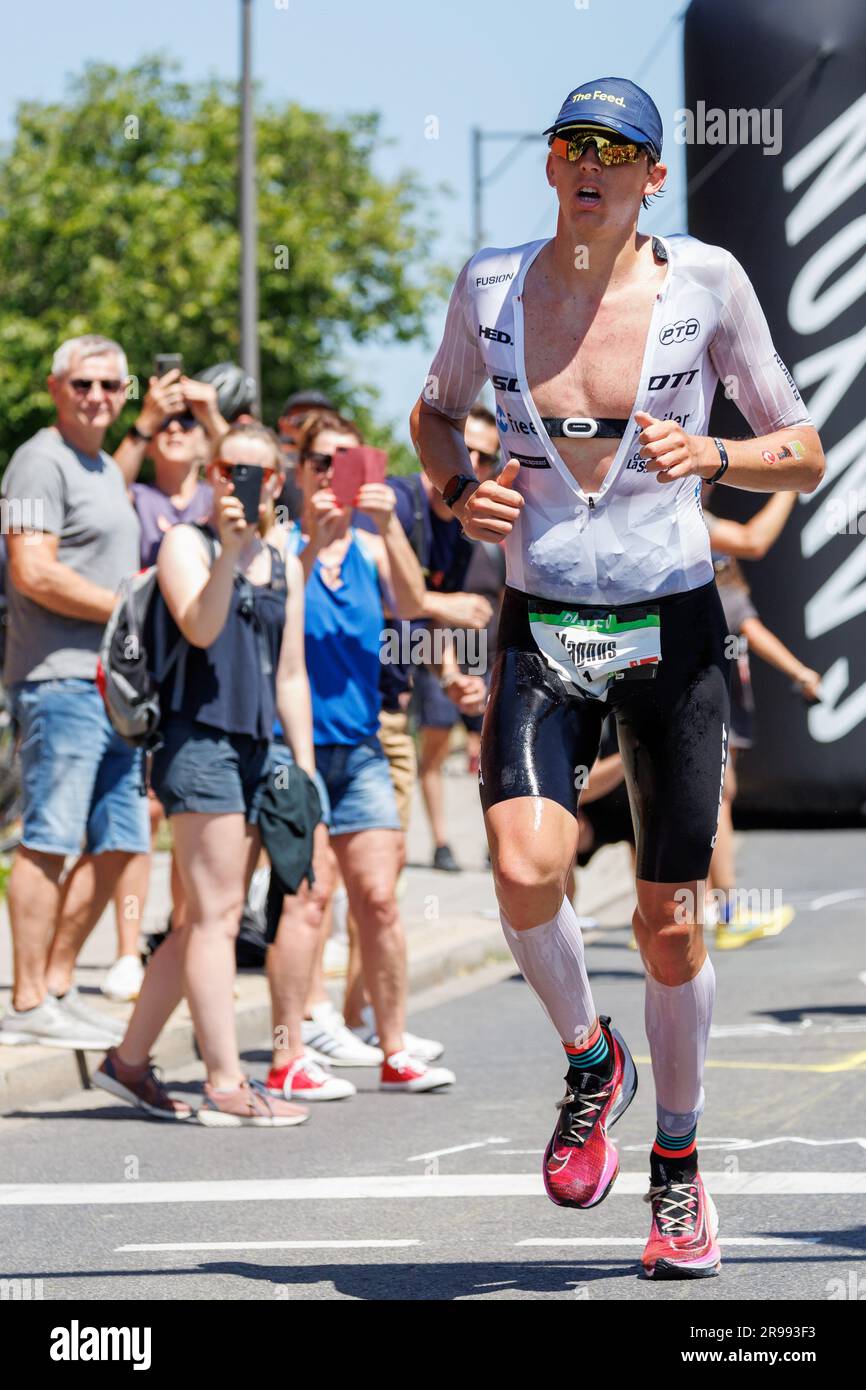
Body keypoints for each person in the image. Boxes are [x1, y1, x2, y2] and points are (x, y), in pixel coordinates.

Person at [411, 76, 824, 1279]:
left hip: (672, 629)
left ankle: (679, 1170)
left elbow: (798, 450)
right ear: (548, 167)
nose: (589, 163)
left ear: (652, 175)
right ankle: (591, 1057)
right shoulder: (490, 284)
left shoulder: (707, 283)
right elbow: (436, 414)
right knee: (523, 860)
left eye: (617, 148)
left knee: (667, 923)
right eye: (571, 145)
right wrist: (452, 488)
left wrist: (717, 451)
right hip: (544, 621)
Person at [94, 422, 317, 1125]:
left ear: (276, 484)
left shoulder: (287, 561)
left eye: (254, 473)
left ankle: (126, 1064)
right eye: (227, 470)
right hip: (199, 746)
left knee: (198, 920)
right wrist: (229, 549)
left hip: (257, 752)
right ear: (212, 475)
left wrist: (304, 773)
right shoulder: (186, 543)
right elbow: (199, 626)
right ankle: (225, 1082)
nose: (238, 483)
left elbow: (290, 673)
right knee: (219, 917)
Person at [283, 410, 456, 1092]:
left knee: (380, 900)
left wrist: (385, 525)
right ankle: (295, 1045)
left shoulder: (372, 544)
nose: (332, 473)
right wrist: (309, 545)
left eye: (346, 460)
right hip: (292, 748)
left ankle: (392, 1049)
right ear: (299, 472)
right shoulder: (280, 541)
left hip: (360, 748)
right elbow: (266, 612)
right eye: (320, 461)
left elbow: (414, 607)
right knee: (311, 898)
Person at [0, 334, 148, 1049]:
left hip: (112, 688)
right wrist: (130, 605)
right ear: (57, 389)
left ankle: (57, 985)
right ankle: (26, 1003)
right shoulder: (40, 458)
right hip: (58, 682)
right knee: (49, 840)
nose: (97, 397)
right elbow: (33, 571)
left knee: (121, 841)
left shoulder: (100, 468)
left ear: (125, 395)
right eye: (83, 384)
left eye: (110, 386)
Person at [103, 372, 223, 1003]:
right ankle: (127, 952)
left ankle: (180, 940)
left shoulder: (213, 496)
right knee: (139, 815)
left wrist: (213, 412)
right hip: (145, 675)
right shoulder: (137, 495)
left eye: (188, 426)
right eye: (166, 429)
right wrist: (146, 417)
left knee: (191, 818)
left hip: (205, 678)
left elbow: (252, 478)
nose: (177, 434)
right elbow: (106, 484)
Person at [708, 554, 820, 949]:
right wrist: (801, 673)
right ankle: (727, 916)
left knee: (688, 806)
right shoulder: (725, 594)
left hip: (687, 714)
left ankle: (670, 914)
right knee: (718, 802)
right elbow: (760, 637)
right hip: (711, 716)